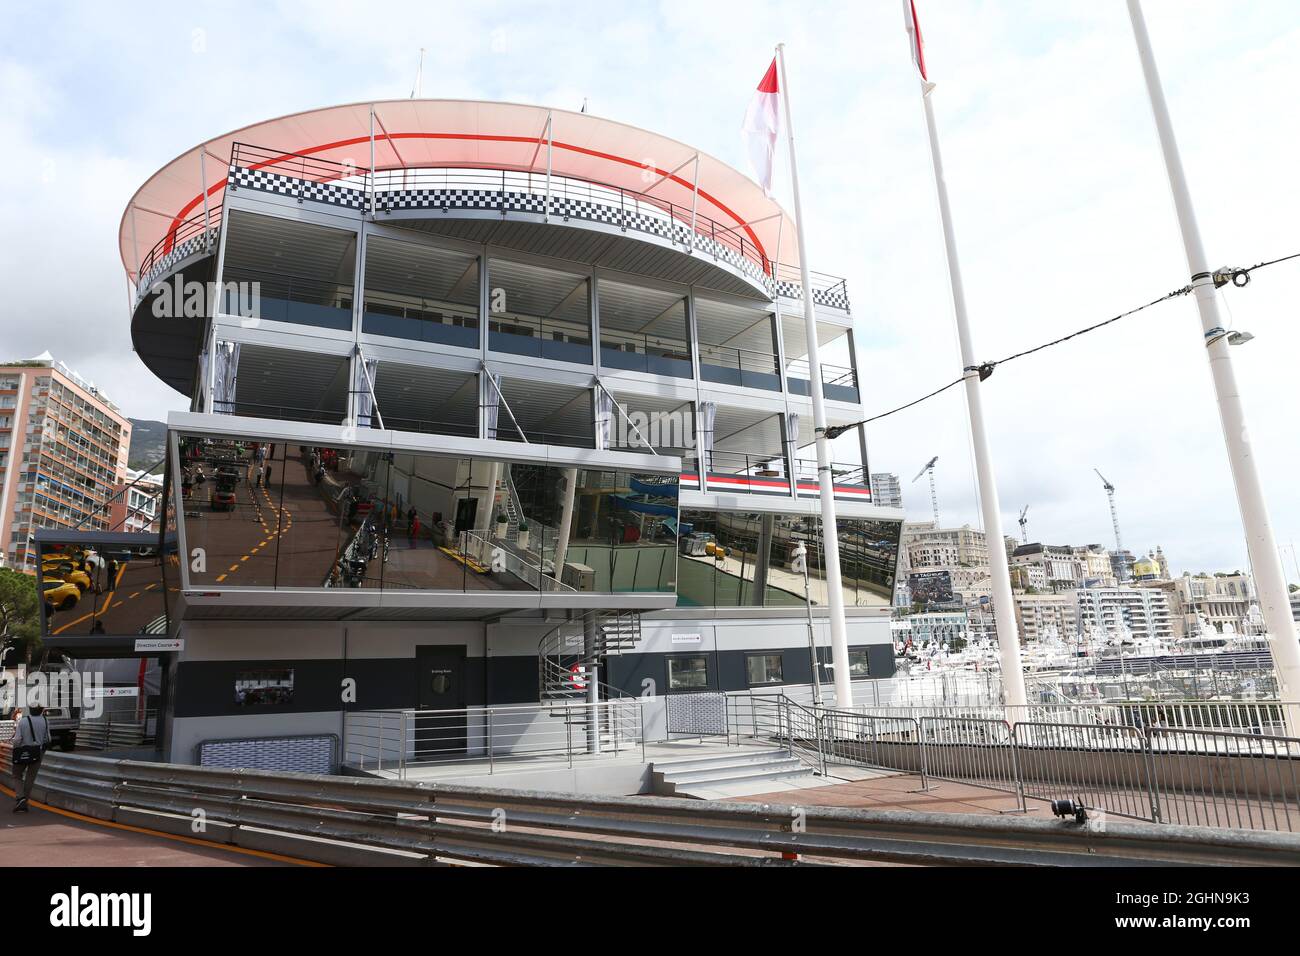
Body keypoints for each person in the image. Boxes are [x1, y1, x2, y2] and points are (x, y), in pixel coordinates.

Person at [10, 705, 52, 812]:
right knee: (30, 777)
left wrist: (14, 748)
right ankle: (24, 802)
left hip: (22, 752)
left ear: (30, 709)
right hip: (38, 752)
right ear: (41, 710)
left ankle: (20, 798)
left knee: (16, 774)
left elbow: (17, 740)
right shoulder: (45, 721)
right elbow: (48, 739)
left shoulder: (23, 721)